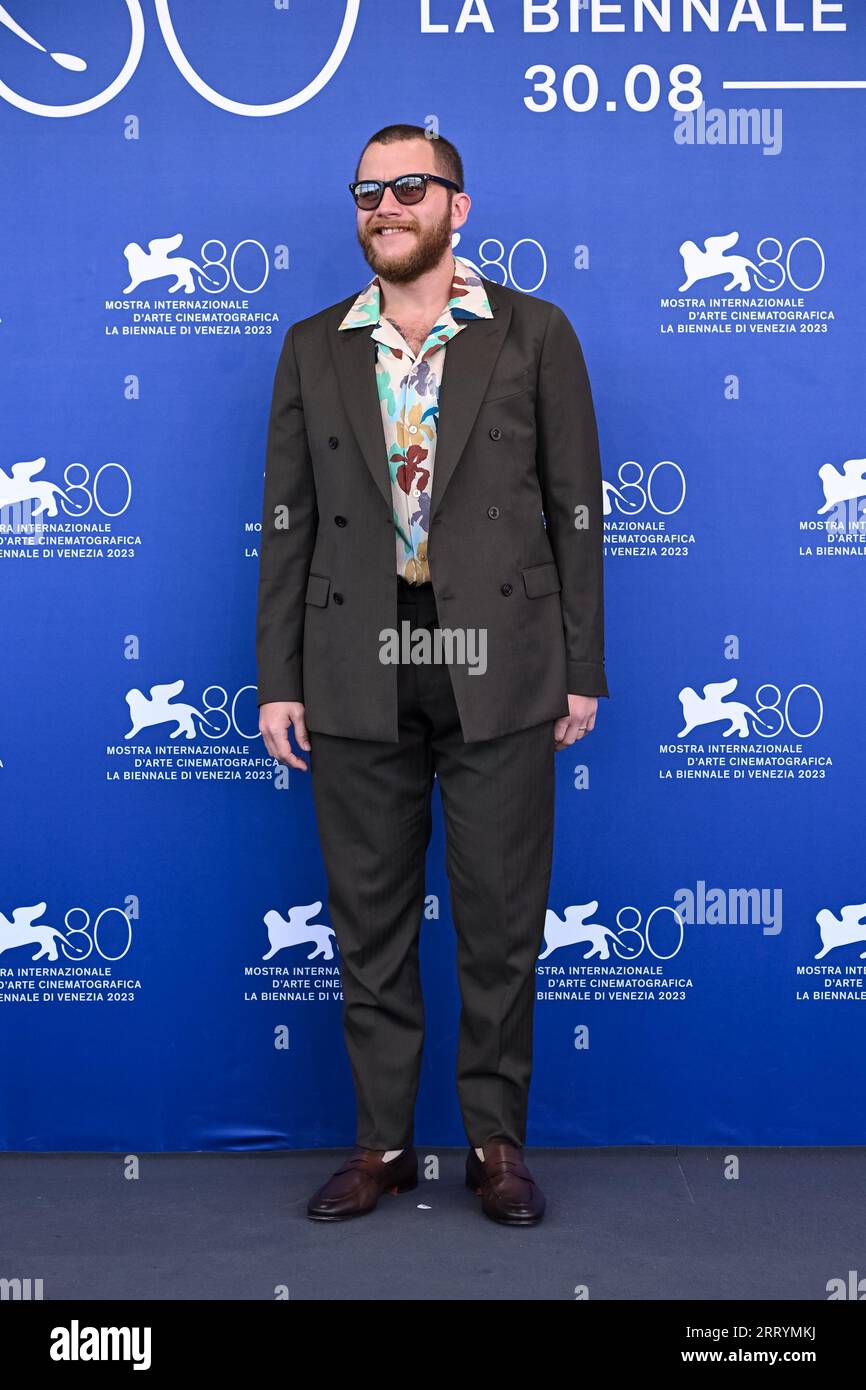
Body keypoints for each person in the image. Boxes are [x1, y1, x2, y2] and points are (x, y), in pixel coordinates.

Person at [256, 123, 609, 1226]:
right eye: (367, 191)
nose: (384, 205)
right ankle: (383, 1146)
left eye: (409, 186)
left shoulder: (535, 332)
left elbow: (576, 514)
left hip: (499, 664)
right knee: (367, 921)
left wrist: (580, 669)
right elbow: (287, 526)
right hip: (355, 657)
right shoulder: (313, 344)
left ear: (458, 207)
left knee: (501, 919)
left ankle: (495, 1147)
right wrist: (278, 675)